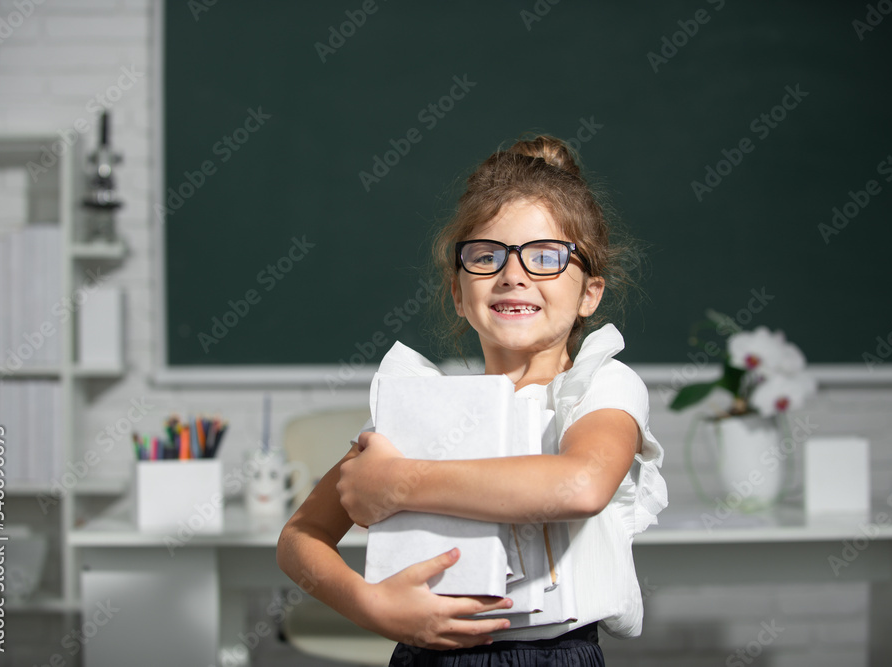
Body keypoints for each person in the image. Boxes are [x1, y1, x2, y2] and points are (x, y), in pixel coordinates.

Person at [276, 134, 668, 666]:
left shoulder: (601, 386)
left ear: (589, 294)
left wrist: (396, 483)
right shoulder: (421, 405)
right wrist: (371, 606)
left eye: (546, 257)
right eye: (486, 256)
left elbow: (580, 485)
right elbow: (301, 538)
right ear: (459, 293)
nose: (512, 275)